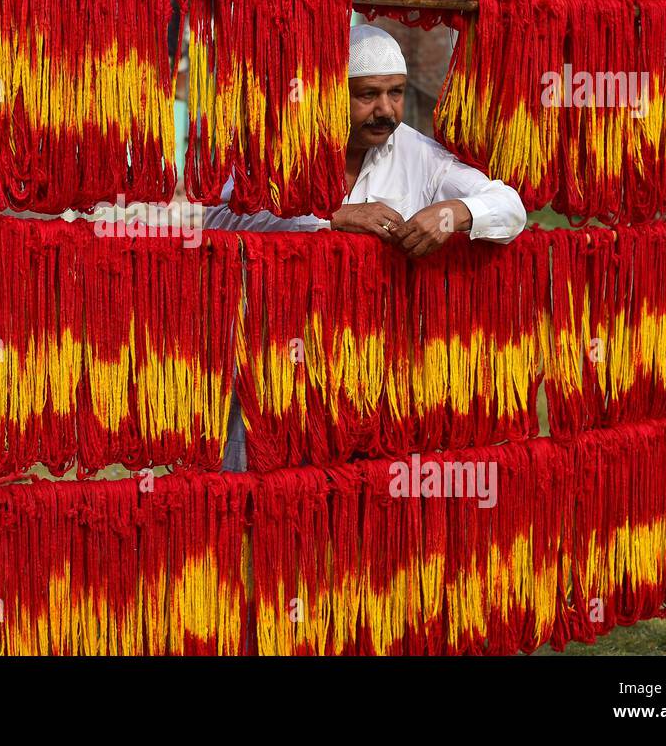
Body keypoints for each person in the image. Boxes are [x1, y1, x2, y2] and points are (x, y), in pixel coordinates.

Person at [205, 23, 528, 470]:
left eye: (395, 93)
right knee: (256, 513)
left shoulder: (416, 154)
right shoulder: (280, 143)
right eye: (367, 95)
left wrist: (453, 212)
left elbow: (510, 208)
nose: (386, 110)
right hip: (273, 366)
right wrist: (330, 218)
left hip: (371, 378)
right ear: (333, 95)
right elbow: (222, 218)